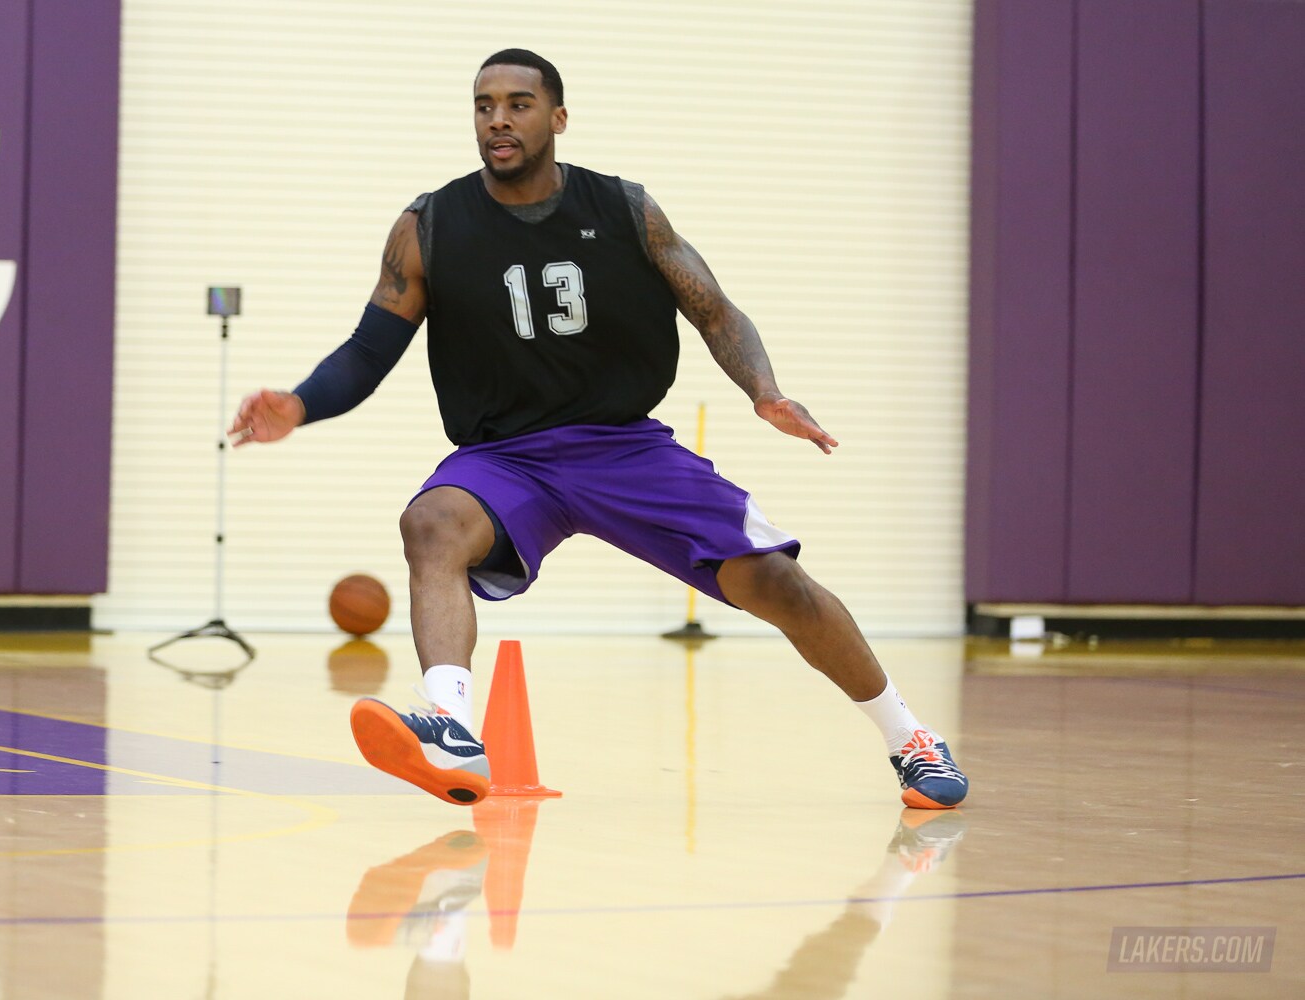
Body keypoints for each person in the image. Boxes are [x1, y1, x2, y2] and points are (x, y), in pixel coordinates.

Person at [230, 49, 967, 811]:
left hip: (624, 447)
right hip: (505, 459)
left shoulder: (624, 209)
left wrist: (765, 392)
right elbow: (368, 349)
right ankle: (451, 726)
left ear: (557, 118)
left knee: (777, 584)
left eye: (518, 104)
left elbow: (713, 310)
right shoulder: (430, 226)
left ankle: (907, 737)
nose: (498, 120)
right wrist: (301, 403)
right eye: (484, 105)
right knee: (432, 522)